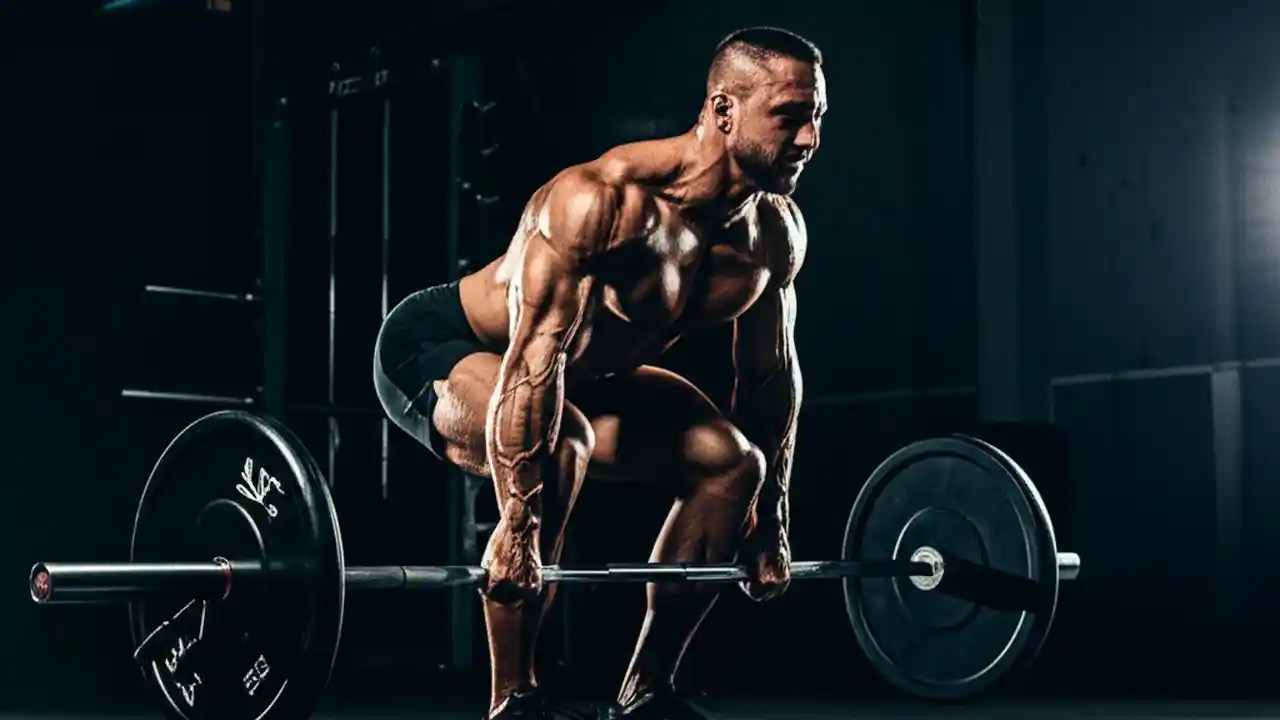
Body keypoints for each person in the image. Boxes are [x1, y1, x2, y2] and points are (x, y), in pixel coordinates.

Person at [374, 26, 825, 720]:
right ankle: (513, 700)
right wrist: (517, 526)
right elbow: (534, 362)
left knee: (733, 466)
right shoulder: (601, 201)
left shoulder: (772, 238)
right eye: (790, 117)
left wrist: (774, 522)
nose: (809, 140)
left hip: (580, 377)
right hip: (443, 346)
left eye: (817, 117)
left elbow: (768, 380)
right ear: (723, 110)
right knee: (561, 440)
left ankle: (647, 695)